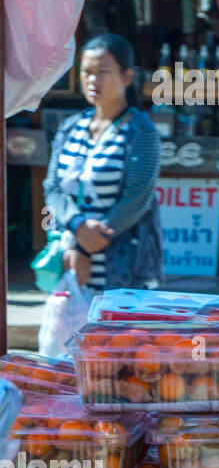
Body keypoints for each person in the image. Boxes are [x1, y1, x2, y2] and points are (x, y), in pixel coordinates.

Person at [43, 34, 163, 290]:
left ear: (127, 77)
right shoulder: (70, 128)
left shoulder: (142, 132)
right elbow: (52, 188)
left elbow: (137, 199)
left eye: (103, 72)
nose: (93, 80)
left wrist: (85, 247)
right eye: (86, 72)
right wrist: (76, 227)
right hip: (70, 264)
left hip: (122, 266)